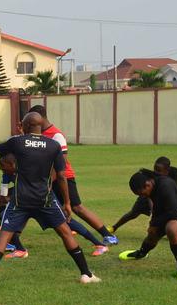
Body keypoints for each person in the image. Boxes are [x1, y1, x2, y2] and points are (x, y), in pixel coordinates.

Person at [0, 112, 100, 292]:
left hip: (20, 199)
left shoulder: (17, 141)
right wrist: (67, 203)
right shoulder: (53, 146)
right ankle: (87, 275)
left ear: (27, 125)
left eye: (22, 123)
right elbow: (61, 175)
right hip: (44, 199)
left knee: (4, 237)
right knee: (65, 233)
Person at [28, 105, 118, 246]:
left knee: (77, 208)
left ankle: (108, 235)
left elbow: (61, 163)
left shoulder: (56, 135)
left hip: (63, 178)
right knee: (55, 210)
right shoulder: (37, 134)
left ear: (39, 118)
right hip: (47, 180)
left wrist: (50, 181)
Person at [118, 168, 177, 280]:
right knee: (153, 234)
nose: (142, 196)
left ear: (147, 185)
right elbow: (159, 209)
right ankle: (142, 253)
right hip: (166, 212)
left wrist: (155, 223)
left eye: (141, 193)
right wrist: (153, 225)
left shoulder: (165, 185)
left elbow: (173, 213)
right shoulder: (152, 186)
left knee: (171, 229)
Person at [109, 157, 177, 233]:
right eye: (154, 169)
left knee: (167, 214)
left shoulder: (174, 172)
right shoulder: (152, 177)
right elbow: (149, 196)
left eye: (158, 170)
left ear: (167, 170)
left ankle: (167, 231)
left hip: (162, 197)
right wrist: (153, 211)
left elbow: (173, 188)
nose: (155, 172)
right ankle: (114, 227)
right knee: (133, 213)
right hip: (145, 196)